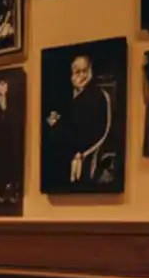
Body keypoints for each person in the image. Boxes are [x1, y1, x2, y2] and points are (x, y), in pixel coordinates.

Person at [45, 54, 111, 187]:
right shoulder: (64, 95)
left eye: (85, 70)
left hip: (85, 163)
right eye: (77, 71)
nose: (82, 75)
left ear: (91, 70)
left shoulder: (97, 97)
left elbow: (82, 133)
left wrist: (56, 125)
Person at [0, 75, 24, 201]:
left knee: (11, 162)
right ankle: (0, 189)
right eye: (1, 84)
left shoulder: (13, 101)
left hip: (10, 138)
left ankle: (11, 189)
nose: (3, 87)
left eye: (5, 84)